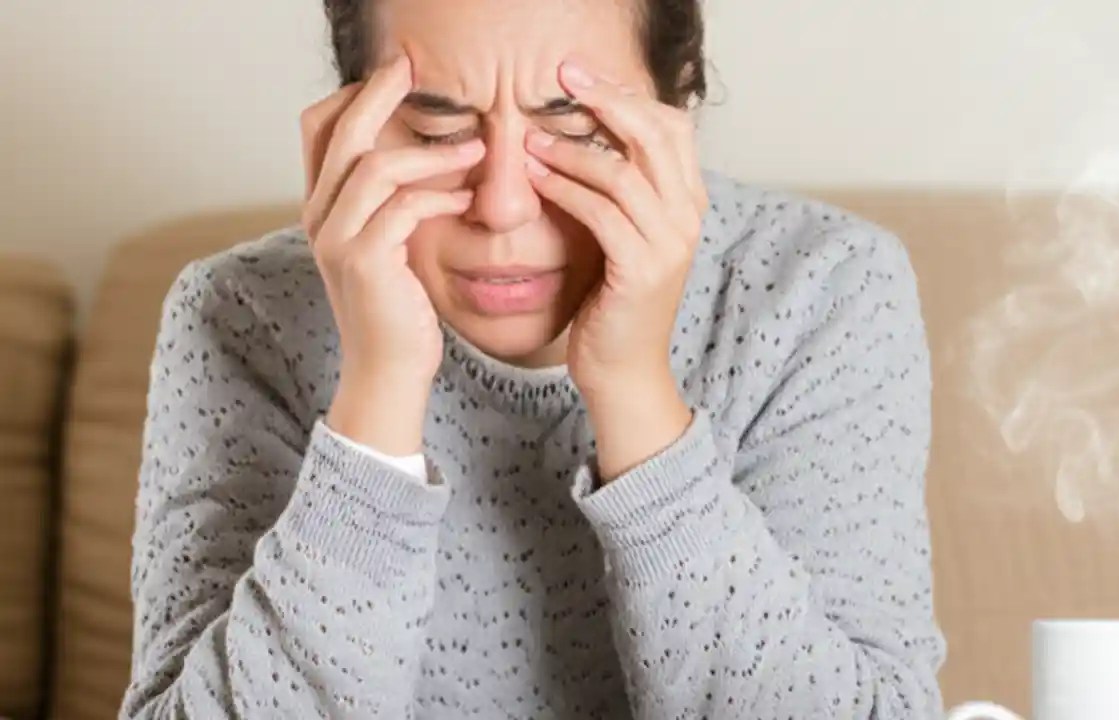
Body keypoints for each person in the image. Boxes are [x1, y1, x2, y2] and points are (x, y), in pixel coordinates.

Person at [122, 0, 945, 717]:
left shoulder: (818, 289)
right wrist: (376, 397)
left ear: (677, 98)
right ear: (348, 124)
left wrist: (633, 392)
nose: (504, 207)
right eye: (438, 129)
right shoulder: (241, 317)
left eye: (574, 133)